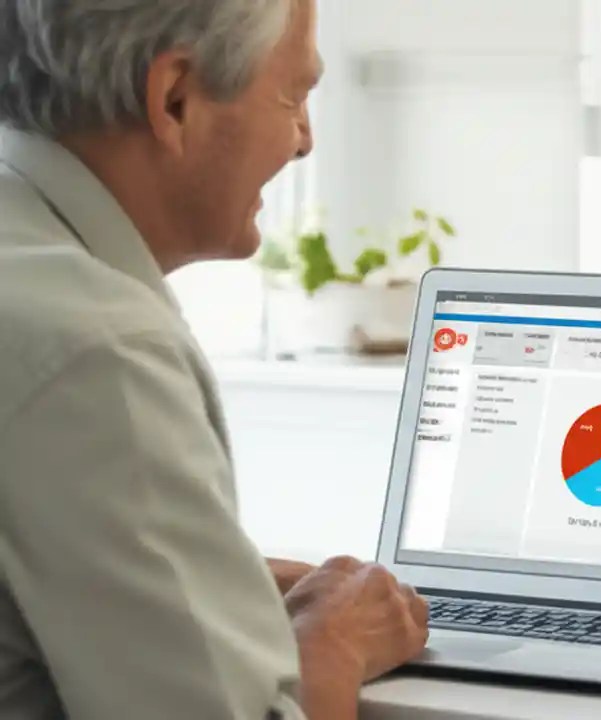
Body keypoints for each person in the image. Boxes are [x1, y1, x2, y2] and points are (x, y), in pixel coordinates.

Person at [0, 1, 428, 717]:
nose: (304, 142)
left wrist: (219, 585)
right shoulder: (99, 354)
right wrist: (333, 640)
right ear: (175, 99)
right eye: (293, 95)